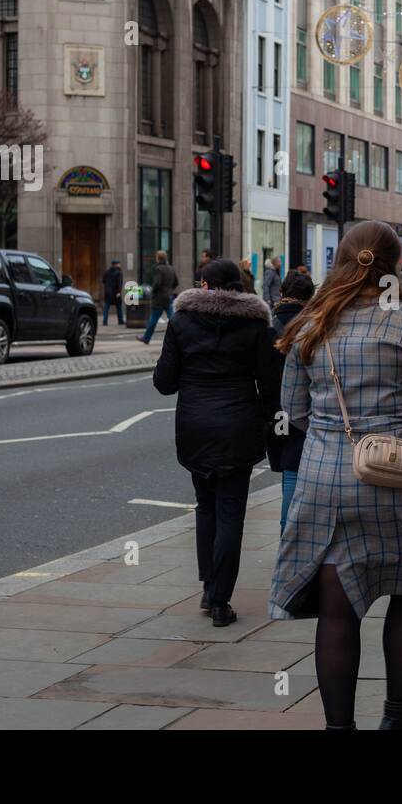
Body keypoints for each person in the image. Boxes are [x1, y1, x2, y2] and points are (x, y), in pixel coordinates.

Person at [269, 221, 402, 731]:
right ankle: (397, 718)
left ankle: (338, 727)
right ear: (396, 265)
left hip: (325, 480)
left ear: (342, 260)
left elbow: (292, 409)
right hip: (398, 476)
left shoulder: (311, 322)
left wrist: (335, 437)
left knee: (337, 612)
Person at [153, 258, 279, 627]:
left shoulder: (181, 321)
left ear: (205, 286)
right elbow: (270, 385)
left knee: (204, 505)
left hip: (195, 425)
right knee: (231, 513)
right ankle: (221, 600)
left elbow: (164, 383)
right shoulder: (257, 324)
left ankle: (209, 588)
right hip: (238, 424)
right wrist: (272, 420)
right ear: (238, 286)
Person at [267, 270, 315, 533]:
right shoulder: (316, 328)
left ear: (282, 294)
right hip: (308, 410)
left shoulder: (268, 328)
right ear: (310, 298)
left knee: (290, 471)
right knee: (302, 470)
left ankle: (288, 531)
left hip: (275, 413)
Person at [138, 251, 180, 344]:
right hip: (168, 297)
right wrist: (169, 290)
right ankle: (180, 336)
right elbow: (176, 282)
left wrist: (152, 290)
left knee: (153, 319)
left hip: (159, 298)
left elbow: (157, 283)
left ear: (158, 258)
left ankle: (146, 338)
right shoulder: (171, 268)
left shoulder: (159, 269)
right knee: (173, 319)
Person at [102, 260, 125, 326]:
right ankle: (120, 320)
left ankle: (104, 321)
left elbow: (103, 280)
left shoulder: (107, 272)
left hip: (108, 292)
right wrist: (119, 292)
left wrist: (107, 287)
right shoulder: (119, 272)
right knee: (119, 307)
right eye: (119, 264)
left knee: (106, 307)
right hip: (116, 292)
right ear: (116, 265)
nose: (120, 265)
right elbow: (119, 283)